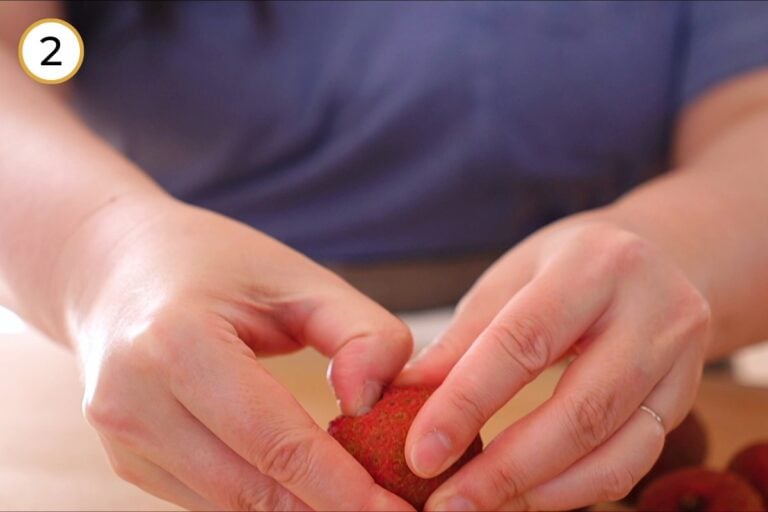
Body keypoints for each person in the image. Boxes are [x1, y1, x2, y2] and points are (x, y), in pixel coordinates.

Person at [2, 1, 768, 510]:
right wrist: (101, 250)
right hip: (189, 389)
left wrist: (678, 246)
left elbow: (752, 117)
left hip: (623, 364)